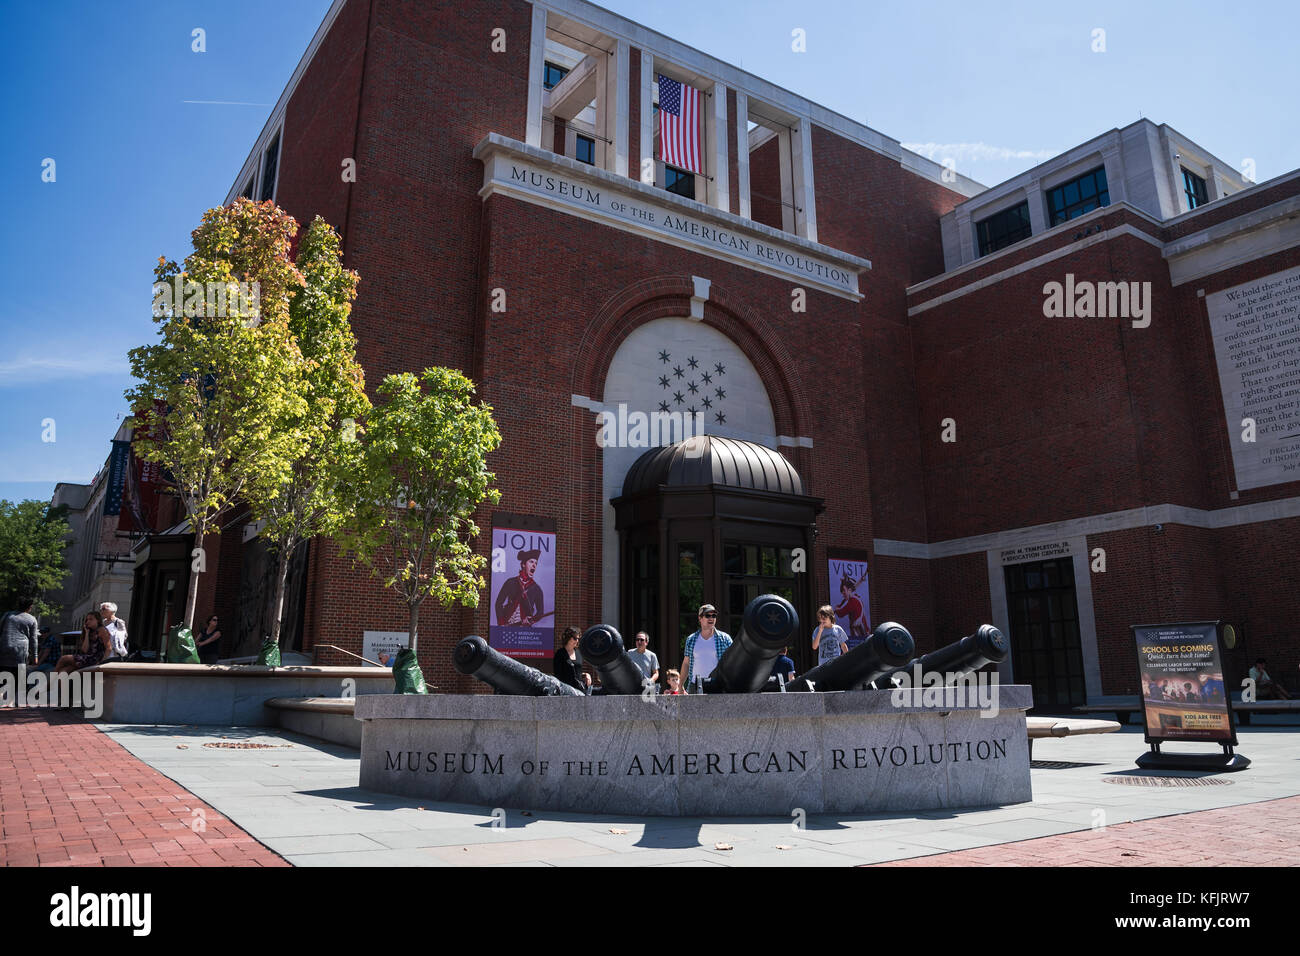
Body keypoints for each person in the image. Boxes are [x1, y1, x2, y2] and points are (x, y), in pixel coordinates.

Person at [680, 604, 732, 693]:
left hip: (717, 685)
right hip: (695, 685)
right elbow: (686, 663)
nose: (711, 618)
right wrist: (680, 685)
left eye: (714, 615)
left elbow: (732, 662)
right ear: (700, 618)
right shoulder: (691, 639)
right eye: (707, 615)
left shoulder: (725, 639)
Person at [494, 549, 546, 627]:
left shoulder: (537, 589)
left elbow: (540, 612)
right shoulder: (510, 582)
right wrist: (501, 623)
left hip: (525, 628)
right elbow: (498, 604)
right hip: (506, 626)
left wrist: (531, 619)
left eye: (536, 563)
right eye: (531, 562)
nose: (534, 565)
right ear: (523, 565)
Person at [0, 599, 40, 693]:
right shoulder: (32, 619)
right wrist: (35, 656)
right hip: (20, 651)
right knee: (19, 675)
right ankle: (13, 700)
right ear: (29, 607)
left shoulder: (7, 615)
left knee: (3, 671)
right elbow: (33, 639)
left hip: (5, 646)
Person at [553, 626, 591, 692]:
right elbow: (558, 674)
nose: (577, 641)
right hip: (566, 691)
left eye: (578, 638)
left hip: (579, 691)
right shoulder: (560, 654)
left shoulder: (578, 653)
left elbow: (577, 672)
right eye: (575, 638)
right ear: (568, 638)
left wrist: (586, 675)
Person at [834, 573, 869, 639]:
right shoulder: (855, 597)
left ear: (849, 590)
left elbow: (841, 614)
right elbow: (854, 587)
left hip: (859, 633)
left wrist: (836, 609)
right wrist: (861, 580)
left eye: (844, 591)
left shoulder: (852, 602)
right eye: (842, 592)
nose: (843, 594)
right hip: (863, 632)